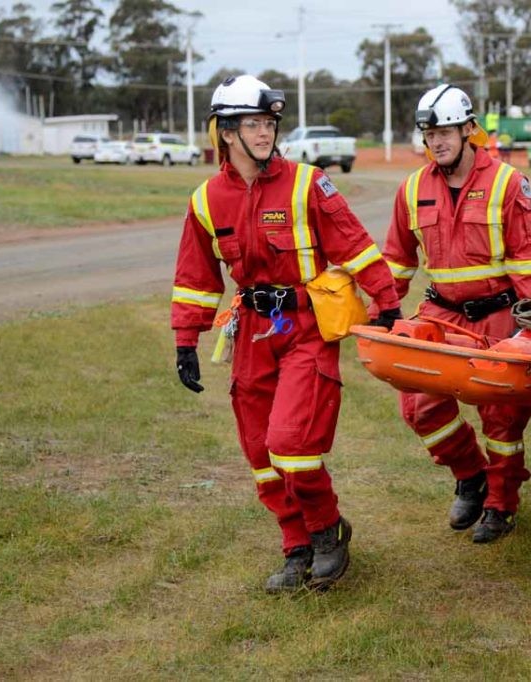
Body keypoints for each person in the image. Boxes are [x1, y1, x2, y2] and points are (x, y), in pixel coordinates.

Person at [171, 75, 402, 593]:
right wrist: (185, 340)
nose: (264, 133)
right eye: (253, 124)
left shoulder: (307, 183)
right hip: (253, 333)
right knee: (260, 452)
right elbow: (195, 277)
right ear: (225, 131)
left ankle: (327, 530)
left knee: (291, 442)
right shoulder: (206, 200)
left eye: (269, 124)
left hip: (305, 327)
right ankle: (296, 547)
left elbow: (354, 245)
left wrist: (387, 301)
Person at [380, 84, 531, 543]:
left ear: (469, 130)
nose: (436, 142)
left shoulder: (508, 184)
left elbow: (528, 263)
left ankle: (501, 502)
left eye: (445, 132)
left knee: (502, 417)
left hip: (499, 314)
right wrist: (383, 310)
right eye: (430, 134)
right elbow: (397, 260)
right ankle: (470, 475)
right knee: (419, 404)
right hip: (440, 313)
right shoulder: (412, 188)